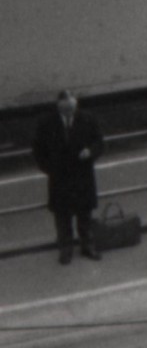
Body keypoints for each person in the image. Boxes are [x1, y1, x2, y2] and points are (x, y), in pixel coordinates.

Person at [31, 89, 105, 264]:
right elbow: (38, 150)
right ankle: (66, 249)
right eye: (65, 110)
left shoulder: (88, 119)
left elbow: (99, 142)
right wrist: (49, 168)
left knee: (84, 214)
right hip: (60, 176)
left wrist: (91, 152)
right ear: (59, 108)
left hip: (82, 174)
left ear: (75, 105)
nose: (69, 114)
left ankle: (87, 246)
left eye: (71, 110)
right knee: (62, 217)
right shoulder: (46, 123)